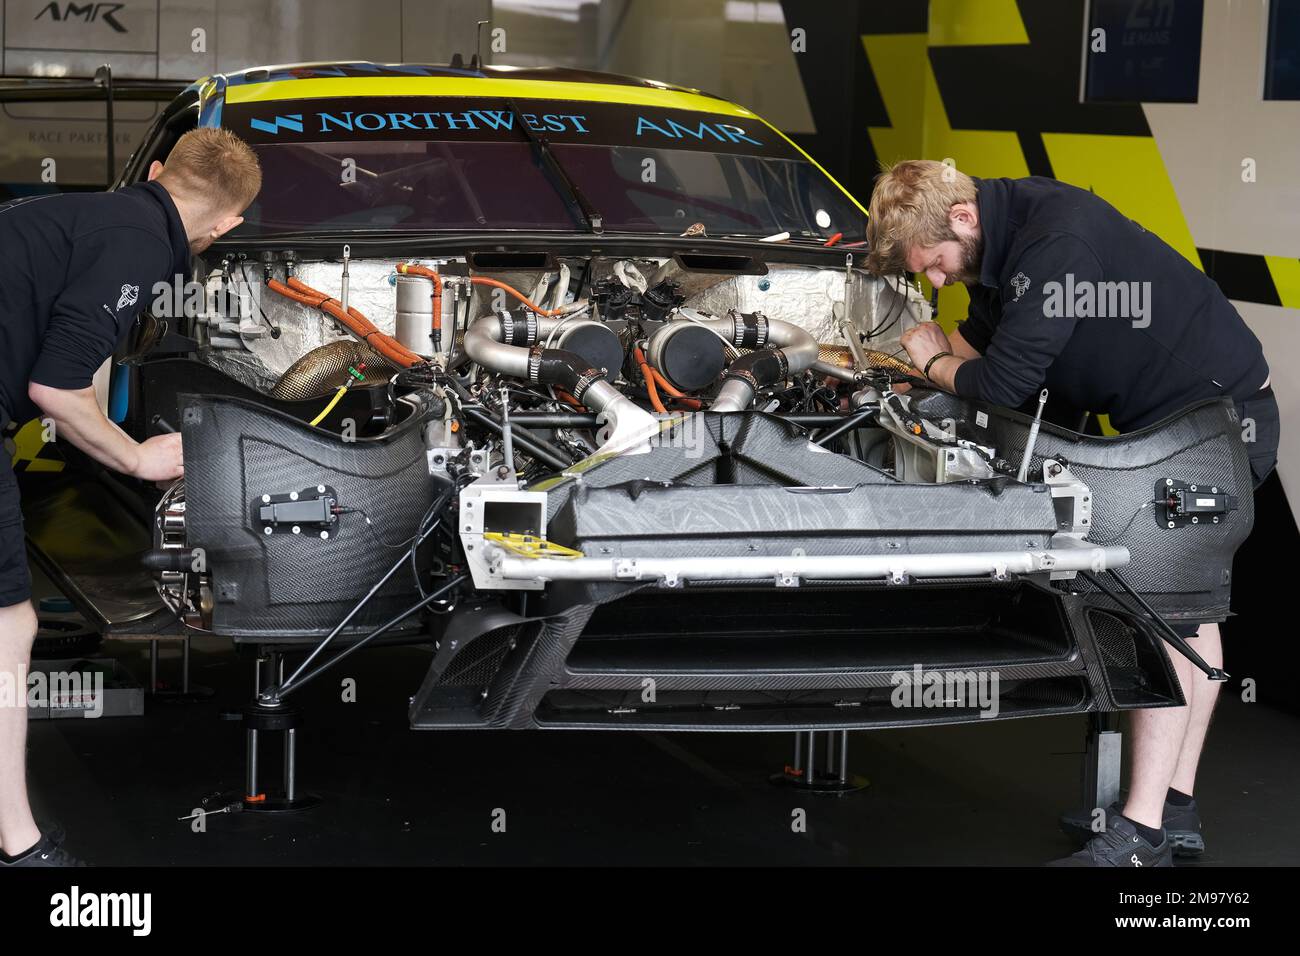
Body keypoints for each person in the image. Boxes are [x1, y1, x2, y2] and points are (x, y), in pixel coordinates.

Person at [866, 159, 1279, 867]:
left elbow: (1001, 380)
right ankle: (1175, 809)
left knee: (1169, 610)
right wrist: (901, 365)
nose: (935, 283)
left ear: (963, 220)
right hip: (1179, 418)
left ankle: (1141, 834)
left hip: (1219, 424)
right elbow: (983, 340)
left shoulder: (1058, 243)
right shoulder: (1002, 235)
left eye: (934, 266)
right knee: (1192, 609)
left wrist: (935, 364)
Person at [0, 127, 261, 866]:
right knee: (9, 628)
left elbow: (66, 358)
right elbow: (52, 388)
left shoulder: (92, 218)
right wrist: (136, 457)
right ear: (227, 225)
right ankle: (17, 846)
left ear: (155, 171)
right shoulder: (140, 246)